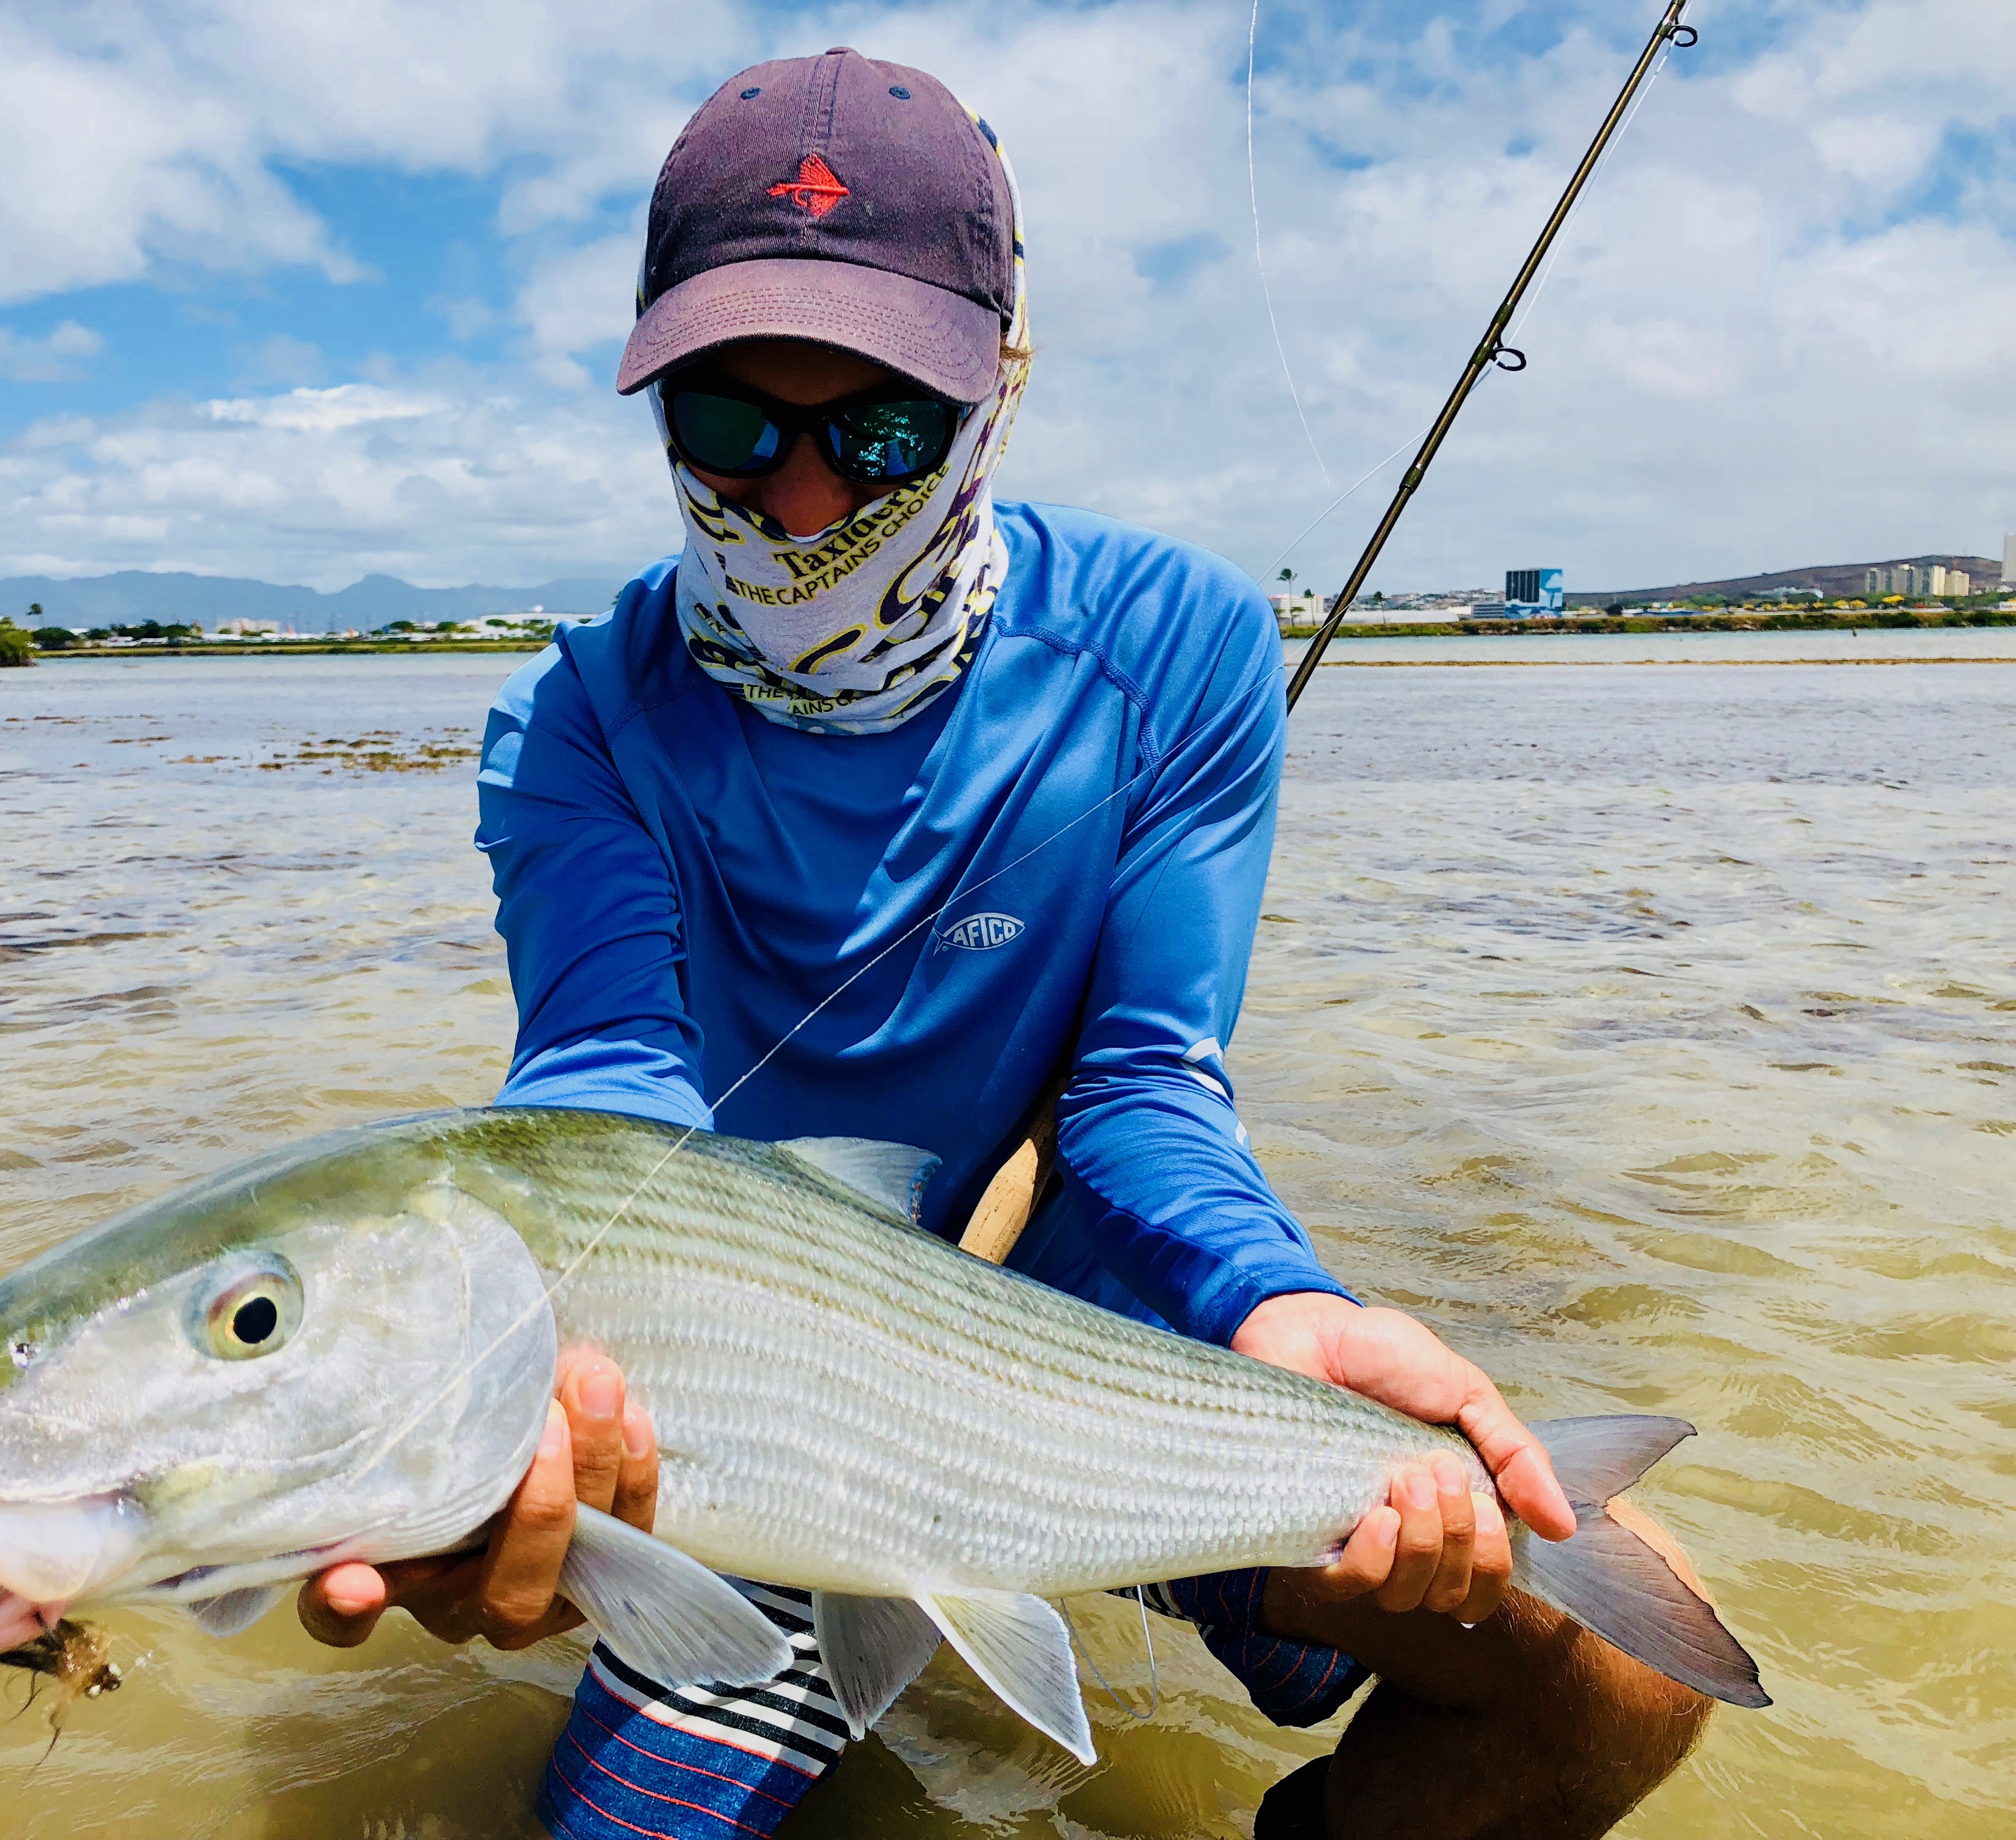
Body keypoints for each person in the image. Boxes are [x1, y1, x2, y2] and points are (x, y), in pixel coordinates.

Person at [299, 47, 1712, 1840]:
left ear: (997, 394)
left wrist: (1278, 1304)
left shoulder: (1173, 645)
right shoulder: (576, 726)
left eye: (879, 430)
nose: (800, 502)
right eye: (733, 424)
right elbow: (602, 1103)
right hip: (736, 1372)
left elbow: (1141, 1094)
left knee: (1623, 1653)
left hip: (1076, 1304)